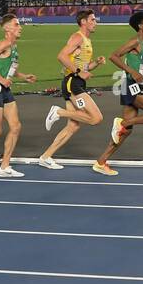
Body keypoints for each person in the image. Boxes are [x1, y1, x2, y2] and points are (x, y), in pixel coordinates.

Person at [93, 11, 143, 176]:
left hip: (136, 85)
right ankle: (122, 123)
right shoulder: (135, 41)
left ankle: (101, 161)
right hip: (131, 85)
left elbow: (141, 69)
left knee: (126, 131)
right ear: (141, 26)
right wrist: (130, 72)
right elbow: (114, 56)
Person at [36, 10, 106, 170]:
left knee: (73, 126)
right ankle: (59, 112)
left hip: (77, 82)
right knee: (96, 118)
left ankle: (45, 157)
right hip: (73, 83)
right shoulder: (77, 37)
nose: (96, 22)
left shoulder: (87, 40)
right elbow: (61, 56)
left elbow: (83, 66)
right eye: (93, 20)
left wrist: (96, 63)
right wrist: (78, 72)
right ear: (83, 22)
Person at [0, 14, 37, 177]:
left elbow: (10, 68)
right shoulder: (4, 43)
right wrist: (0, 78)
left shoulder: (14, 45)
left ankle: (4, 167)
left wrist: (24, 76)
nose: (20, 27)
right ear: (7, 28)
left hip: (5, 90)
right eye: (16, 24)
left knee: (16, 126)